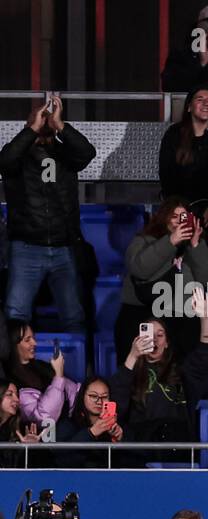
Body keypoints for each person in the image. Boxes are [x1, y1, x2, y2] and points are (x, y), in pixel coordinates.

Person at [0, 95, 95, 341]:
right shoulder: (17, 157)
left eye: (45, 121)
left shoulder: (65, 154)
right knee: (15, 314)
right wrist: (32, 128)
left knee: (74, 316)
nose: (43, 125)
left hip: (64, 247)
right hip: (27, 247)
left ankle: (77, 372)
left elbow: (87, 152)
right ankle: (12, 374)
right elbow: (5, 161)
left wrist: (60, 125)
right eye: (39, 121)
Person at [115, 198, 208, 360]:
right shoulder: (143, 240)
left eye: (184, 217)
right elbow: (140, 269)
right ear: (163, 218)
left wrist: (196, 245)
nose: (179, 221)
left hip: (181, 319)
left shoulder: (193, 247)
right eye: (174, 216)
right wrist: (171, 241)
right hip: (141, 314)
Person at [109, 301, 208, 452]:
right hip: (141, 445)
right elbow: (116, 404)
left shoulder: (181, 371)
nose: (154, 340)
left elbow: (204, 357)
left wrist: (204, 319)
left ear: (166, 343)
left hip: (176, 444)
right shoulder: (129, 370)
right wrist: (132, 356)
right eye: (148, 335)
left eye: (160, 335)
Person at [158, 88, 208, 238]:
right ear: (189, 107)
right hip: (179, 206)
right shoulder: (174, 134)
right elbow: (166, 174)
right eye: (200, 99)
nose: (206, 103)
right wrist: (180, 208)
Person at [6, 324, 80, 426]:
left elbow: (74, 392)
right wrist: (58, 376)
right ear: (14, 344)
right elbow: (44, 419)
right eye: (28, 340)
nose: (35, 343)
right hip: (46, 435)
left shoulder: (42, 367)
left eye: (33, 338)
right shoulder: (10, 380)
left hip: (69, 421)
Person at [55, 376, 122, 468]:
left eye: (104, 397)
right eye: (94, 396)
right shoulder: (66, 425)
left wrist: (116, 441)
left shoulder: (116, 428)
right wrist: (91, 433)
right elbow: (61, 461)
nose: (99, 401)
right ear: (82, 396)